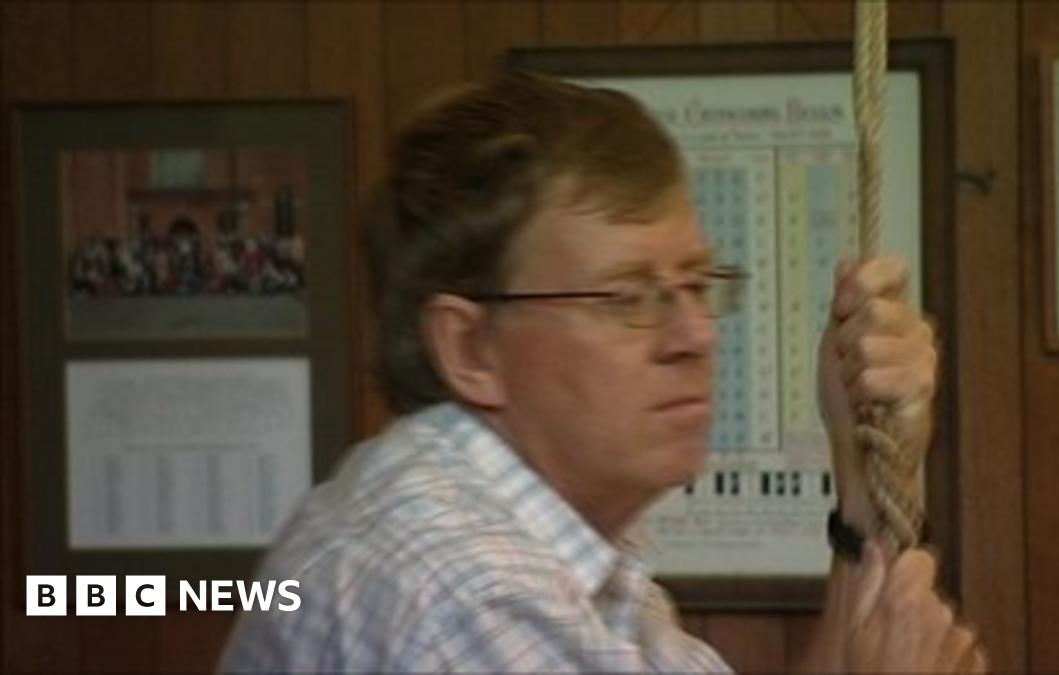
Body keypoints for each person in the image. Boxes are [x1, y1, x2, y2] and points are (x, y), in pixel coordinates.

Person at [219, 72, 984, 673]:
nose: (696, 335)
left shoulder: (542, 545)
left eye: (697, 284)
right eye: (625, 297)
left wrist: (863, 474)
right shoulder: (463, 590)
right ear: (471, 349)